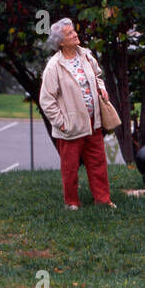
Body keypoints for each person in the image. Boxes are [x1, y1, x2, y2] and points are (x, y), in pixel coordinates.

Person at [39, 18, 117, 210]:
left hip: (93, 121)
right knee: (70, 168)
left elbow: (97, 76)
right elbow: (46, 100)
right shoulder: (54, 66)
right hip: (70, 126)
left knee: (98, 162)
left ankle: (103, 200)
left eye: (73, 31)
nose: (75, 34)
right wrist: (61, 123)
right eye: (69, 34)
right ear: (60, 42)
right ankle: (72, 202)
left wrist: (101, 88)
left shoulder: (86, 55)